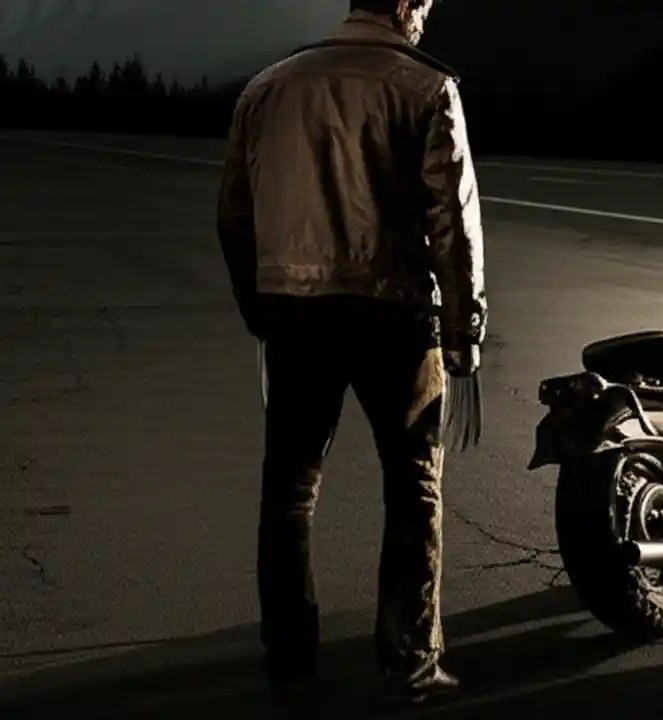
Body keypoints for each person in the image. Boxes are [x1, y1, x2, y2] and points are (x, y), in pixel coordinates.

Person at [215, 0, 486, 705]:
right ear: (403, 7)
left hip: (296, 318)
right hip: (393, 313)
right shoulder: (428, 88)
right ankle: (410, 663)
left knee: (290, 492)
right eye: (424, 6)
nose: (426, 19)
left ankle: (290, 661)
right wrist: (463, 334)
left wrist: (261, 310)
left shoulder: (269, 86)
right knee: (414, 485)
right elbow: (451, 225)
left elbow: (234, 215)